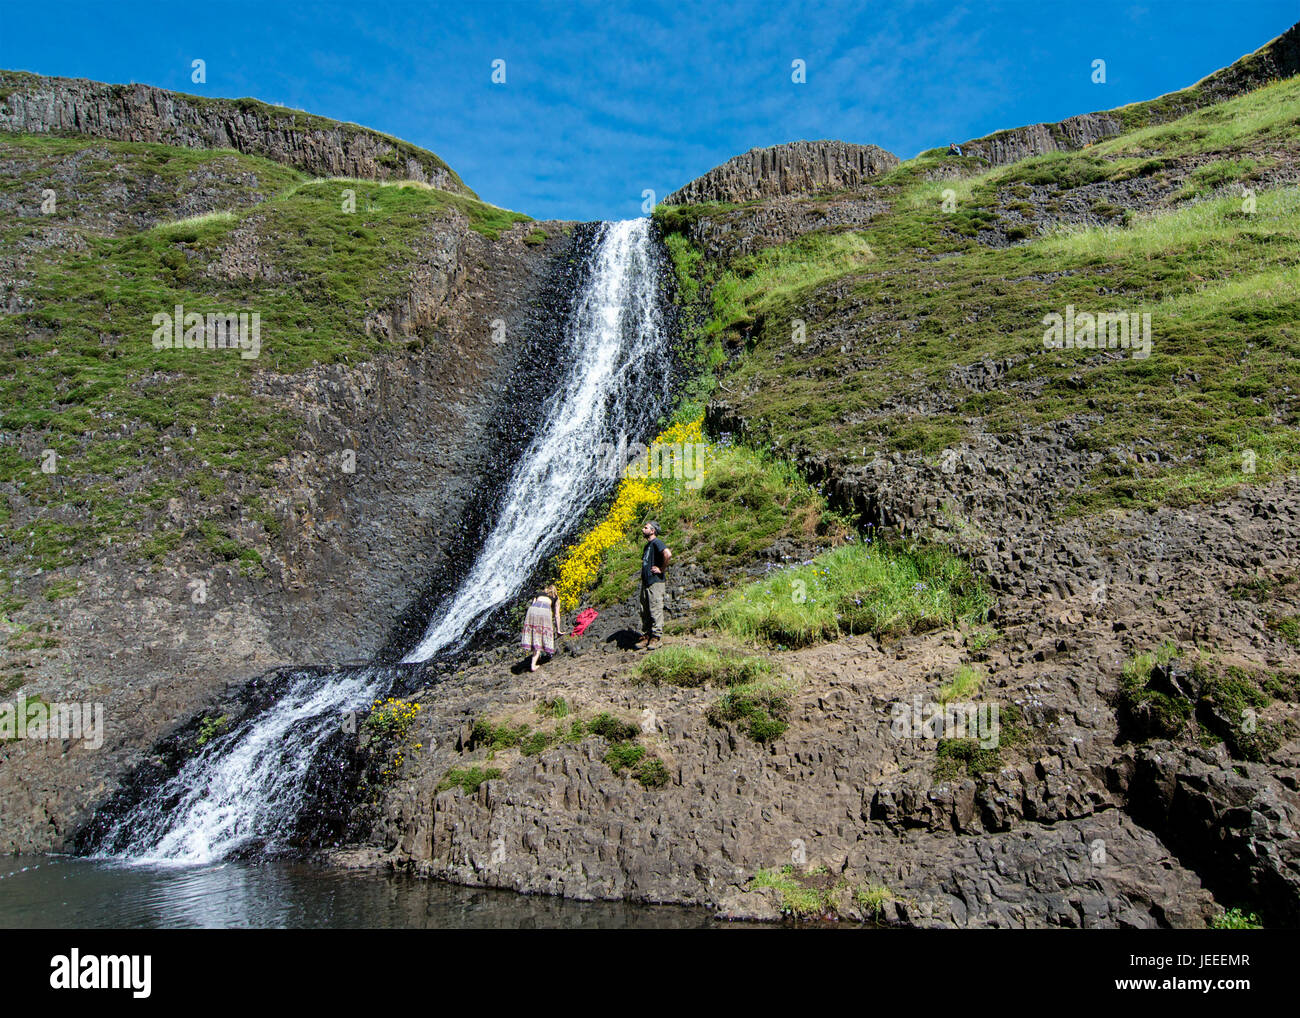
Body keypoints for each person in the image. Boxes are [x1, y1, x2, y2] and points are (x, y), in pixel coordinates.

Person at [636, 521, 671, 650]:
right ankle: (646, 636)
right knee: (644, 610)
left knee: (655, 609)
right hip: (646, 582)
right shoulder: (647, 546)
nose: (642, 529)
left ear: (653, 531)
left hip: (655, 582)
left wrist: (662, 569)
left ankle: (656, 638)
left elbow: (667, 554)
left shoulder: (657, 542)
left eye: (645, 527)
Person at [521, 584, 563, 671]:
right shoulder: (556, 598)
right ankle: (533, 665)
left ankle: (535, 654)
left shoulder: (539, 594)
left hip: (532, 610)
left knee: (534, 632)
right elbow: (557, 615)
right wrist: (558, 630)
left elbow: (533, 604)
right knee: (540, 636)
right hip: (544, 612)